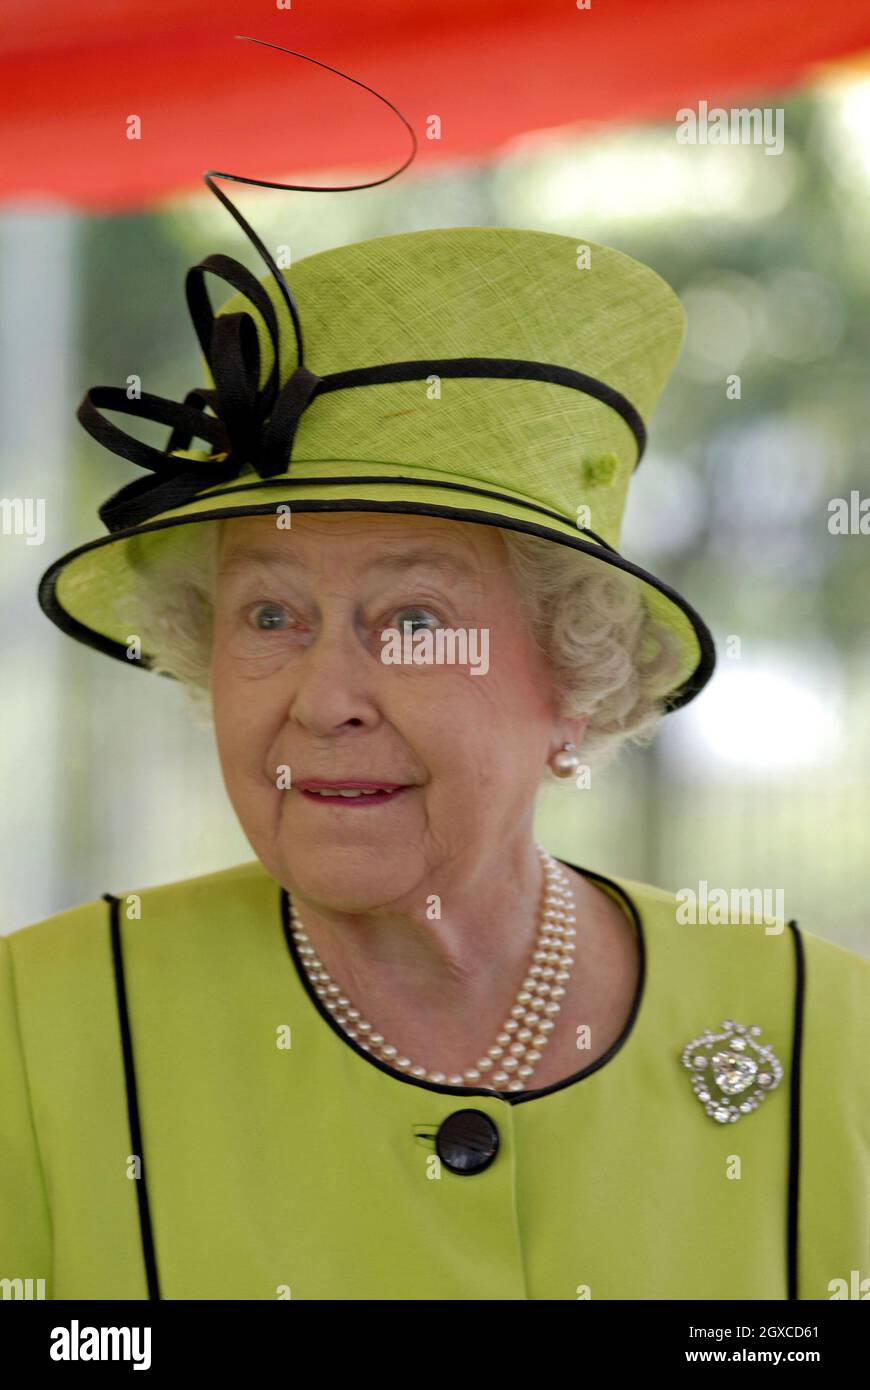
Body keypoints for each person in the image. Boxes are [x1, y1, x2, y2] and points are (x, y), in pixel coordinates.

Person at [2, 214, 867, 1302]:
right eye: (269, 614)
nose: (323, 701)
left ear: (572, 675)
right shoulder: (35, 1032)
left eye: (412, 622)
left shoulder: (832, 1037)